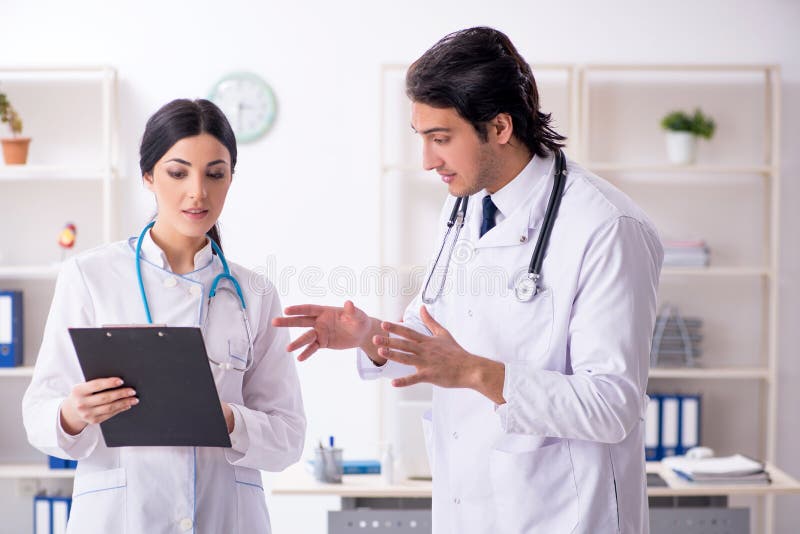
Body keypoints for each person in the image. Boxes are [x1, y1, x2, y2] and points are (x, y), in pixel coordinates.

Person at [274, 27, 662, 533]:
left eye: (442, 139)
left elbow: (613, 406)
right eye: (423, 139)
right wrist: (371, 336)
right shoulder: (463, 208)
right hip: (469, 510)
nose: (427, 161)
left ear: (499, 127)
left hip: (564, 515)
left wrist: (478, 374)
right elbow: (438, 335)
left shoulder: (606, 227)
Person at [22, 99, 305, 534]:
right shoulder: (90, 276)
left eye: (215, 173)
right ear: (148, 176)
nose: (198, 192)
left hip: (225, 518)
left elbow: (288, 439)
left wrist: (228, 419)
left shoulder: (255, 293)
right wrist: (73, 413)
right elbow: (39, 413)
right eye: (178, 173)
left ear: (231, 178)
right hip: (122, 518)